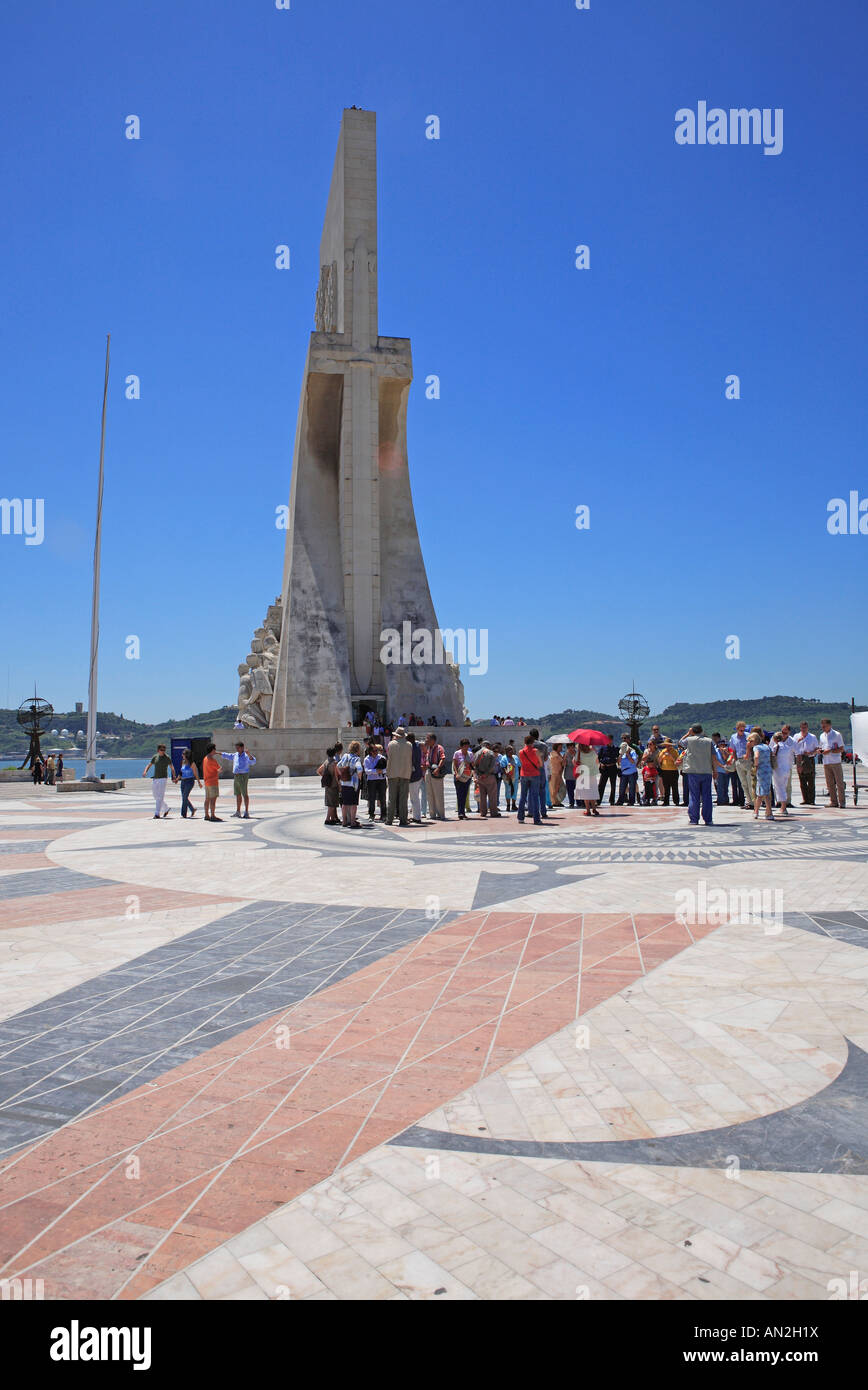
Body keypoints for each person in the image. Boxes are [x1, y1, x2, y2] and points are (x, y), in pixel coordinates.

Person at [678, 725, 717, 827]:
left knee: (694, 796)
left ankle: (694, 819)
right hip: (706, 771)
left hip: (693, 771)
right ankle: (708, 819)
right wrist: (715, 770)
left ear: (693, 731)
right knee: (707, 796)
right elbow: (713, 757)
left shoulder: (689, 740)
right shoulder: (709, 741)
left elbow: (680, 742)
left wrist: (688, 733)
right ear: (702, 730)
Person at [220, 742, 257, 818]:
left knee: (244, 794)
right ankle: (238, 811)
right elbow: (228, 755)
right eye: (236, 748)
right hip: (236, 776)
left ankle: (246, 812)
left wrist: (249, 754)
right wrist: (218, 753)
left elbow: (253, 762)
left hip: (243, 776)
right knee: (237, 794)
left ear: (242, 747)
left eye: (238, 748)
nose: (237, 749)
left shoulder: (246, 755)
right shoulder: (236, 755)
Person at [386, 727, 412, 826]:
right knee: (403, 798)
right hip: (405, 773)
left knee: (392, 798)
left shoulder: (391, 744)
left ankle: (389, 820)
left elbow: (389, 758)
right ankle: (403, 820)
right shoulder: (409, 745)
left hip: (393, 773)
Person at [143, 743, 176, 819]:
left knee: (160, 796)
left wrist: (174, 776)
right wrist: (145, 771)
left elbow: (172, 767)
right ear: (158, 750)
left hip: (163, 778)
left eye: (164, 750)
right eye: (161, 750)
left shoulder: (167, 758)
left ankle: (157, 814)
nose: (163, 751)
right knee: (155, 795)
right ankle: (166, 808)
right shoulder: (155, 757)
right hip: (155, 778)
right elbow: (149, 765)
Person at [819, 719, 846, 807]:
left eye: (824, 726)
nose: (823, 728)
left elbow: (841, 748)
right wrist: (820, 751)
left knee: (839, 782)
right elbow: (821, 747)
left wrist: (830, 751)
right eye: (822, 726)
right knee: (829, 783)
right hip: (826, 762)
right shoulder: (822, 736)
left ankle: (842, 802)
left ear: (829, 725)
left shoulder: (837, 734)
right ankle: (833, 801)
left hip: (836, 761)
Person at [337, 741, 364, 828]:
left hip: (344, 783)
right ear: (358, 750)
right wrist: (359, 778)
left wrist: (341, 775)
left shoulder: (345, 756)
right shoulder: (356, 758)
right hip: (353, 784)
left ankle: (344, 821)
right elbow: (359, 769)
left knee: (344, 803)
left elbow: (338, 766)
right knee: (353, 804)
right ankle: (352, 822)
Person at [517, 734, 542, 825]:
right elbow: (541, 763)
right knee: (535, 797)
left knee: (523, 796)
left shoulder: (521, 752)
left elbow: (522, 762)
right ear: (533, 742)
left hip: (524, 774)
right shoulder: (536, 751)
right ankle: (536, 819)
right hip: (535, 774)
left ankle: (520, 818)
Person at [473, 741, 502, 818]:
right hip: (489, 776)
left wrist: (479, 775)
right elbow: (492, 766)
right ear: (488, 746)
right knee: (492, 795)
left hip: (480, 777)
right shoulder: (491, 753)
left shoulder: (476, 753)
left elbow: (474, 766)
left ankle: (483, 812)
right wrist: (487, 774)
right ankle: (493, 812)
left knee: (482, 796)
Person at [793, 721, 819, 805]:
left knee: (811, 780)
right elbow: (793, 747)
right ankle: (805, 799)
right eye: (802, 728)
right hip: (799, 758)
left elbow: (817, 749)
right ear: (800, 728)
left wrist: (811, 753)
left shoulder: (812, 737)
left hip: (809, 758)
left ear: (807, 728)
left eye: (805, 728)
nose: (804, 729)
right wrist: (798, 741)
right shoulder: (796, 736)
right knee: (802, 780)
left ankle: (811, 800)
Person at [751, 730, 775, 821]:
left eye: (750, 741)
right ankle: (756, 811)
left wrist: (756, 766)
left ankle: (769, 812)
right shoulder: (766, 746)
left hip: (761, 770)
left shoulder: (756, 748)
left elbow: (756, 757)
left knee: (764, 792)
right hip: (768, 770)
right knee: (761, 791)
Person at [771, 732, 796, 817]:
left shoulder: (776, 747)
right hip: (786, 769)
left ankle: (783, 807)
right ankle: (783, 805)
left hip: (779, 770)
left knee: (779, 788)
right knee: (784, 787)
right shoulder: (787, 747)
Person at [729, 722, 752, 810]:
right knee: (743, 783)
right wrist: (736, 760)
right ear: (737, 728)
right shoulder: (733, 737)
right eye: (740, 729)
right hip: (739, 760)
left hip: (748, 760)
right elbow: (733, 749)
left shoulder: (748, 736)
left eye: (743, 729)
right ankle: (749, 801)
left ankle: (753, 802)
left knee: (750, 782)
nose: (742, 731)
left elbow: (752, 747)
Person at [425, 733, 447, 820]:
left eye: (427, 738)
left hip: (436, 772)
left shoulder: (439, 748)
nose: (426, 740)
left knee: (438, 794)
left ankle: (441, 814)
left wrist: (438, 768)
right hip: (429, 771)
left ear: (433, 740)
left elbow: (443, 758)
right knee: (430, 794)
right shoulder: (428, 748)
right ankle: (432, 814)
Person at [317, 745, 341, 825]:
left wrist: (326, 777)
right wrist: (339, 785)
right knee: (332, 803)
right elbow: (337, 775)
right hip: (333, 785)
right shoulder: (334, 763)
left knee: (331, 802)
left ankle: (332, 818)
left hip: (327, 785)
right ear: (334, 754)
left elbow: (318, 771)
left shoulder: (326, 762)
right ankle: (328, 819)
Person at [575, 742, 600, 817]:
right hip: (592, 774)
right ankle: (594, 809)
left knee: (586, 793)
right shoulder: (593, 752)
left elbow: (575, 762)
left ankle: (588, 810)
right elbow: (597, 761)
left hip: (584, 774)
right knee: (592, 792)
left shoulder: (579, 753)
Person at [453, 738, 475, 819]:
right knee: (459, 795)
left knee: (465, 794)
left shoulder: (470, 754)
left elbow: (473, 765)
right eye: (464, 746)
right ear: (461, 746)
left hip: (467, 777)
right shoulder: (457, 753)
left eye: (467, 746)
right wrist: (456, 774)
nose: (466, 748)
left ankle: (463, 812)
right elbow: (454, 764)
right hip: (458, 777)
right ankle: (460, 812)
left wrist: (469, 763)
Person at [363, 743, 387, 821]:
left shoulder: (382, 758)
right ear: (370, 751)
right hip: (371, 781)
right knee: (371, 798)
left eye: (377, 750)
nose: (376, 752)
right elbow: (367, 771)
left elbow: (386, 769)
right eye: (374, 751)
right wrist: (376, 771)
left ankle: (383, 815)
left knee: (382, 797)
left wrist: (381, 771)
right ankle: (371, 815)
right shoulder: (367, 759)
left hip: (381, 780)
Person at [408, 733, 426, 823]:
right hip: (418, 774)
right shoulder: (417, 746)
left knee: (414, 797)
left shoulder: (412, 748)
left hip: (413, 776)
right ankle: (416, 816)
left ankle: (417, 817)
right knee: (415, 797)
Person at [178, 750, 202, 818]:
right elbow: (181, 772)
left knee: (185, 797)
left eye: (183, 754)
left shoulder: (192, 763)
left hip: (189, 781)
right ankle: (192, 809)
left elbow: (195, 773)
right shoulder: (183, 762)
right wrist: (177, 779)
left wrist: (199, 782)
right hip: (183, 781)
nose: (182, 755)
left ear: (187, 755)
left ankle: (183, 814)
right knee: (184, 797)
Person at [202, 744, 223, 822]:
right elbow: (219, 769)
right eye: (214, 749)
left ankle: (206, 815)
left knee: (207, 799)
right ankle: (213, 815)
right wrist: (220, 769)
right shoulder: (212, 760)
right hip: (213, 781)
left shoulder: (205, 759)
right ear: (212, 750)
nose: (215, 751)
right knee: (213, 800)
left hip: (207, 781)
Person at [617, 737, 639, 806]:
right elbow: (618, 762)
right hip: (624, 772)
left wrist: (628, 754)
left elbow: (633, 762)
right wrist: (621, 755)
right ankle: (621, 801)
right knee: (622, 788)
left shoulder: (633, 752)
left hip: (632, 772)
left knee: (632, 788)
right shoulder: (622, 753)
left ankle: (631, 801)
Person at [657, 738, 680, 805]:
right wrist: (662, 755)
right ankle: (666, 801)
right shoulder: (663, 751)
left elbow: (677, 761)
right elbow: (659, 761)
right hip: (664, 771)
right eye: (666, 745)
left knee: (674, 787)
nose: (667, 747)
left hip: (673, 771)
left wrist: (670, 756)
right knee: (666, 787)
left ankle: (676, 801)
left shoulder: (675, 751)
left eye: (668, 745)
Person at [597, 735, 618, 806]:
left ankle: (612, 801)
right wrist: (601, 763)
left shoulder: (615, 748)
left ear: (612, 740)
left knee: (613, 785)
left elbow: (618, 757)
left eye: (610, 740)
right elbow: (598, 757)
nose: (608, 741)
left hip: (613, 767)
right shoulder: (602, 748)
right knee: (601, 785)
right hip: (604, 768)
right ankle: (598, 801)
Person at [548, 742, 565, 808]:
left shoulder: (559, 754)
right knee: (553, 788)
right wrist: (564, 758)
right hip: (554, 773)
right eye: (560, 747)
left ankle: (557, 801)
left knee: (558, 788)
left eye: (561, 747)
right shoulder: (553, 753)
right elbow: (560, 760)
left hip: (559, 773)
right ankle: (554, 802)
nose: (561, 748)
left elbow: (563, 763)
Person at [563, 742, 577, 807]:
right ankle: (571, 802)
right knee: (570, 790)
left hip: (576, 774)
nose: (571, 749)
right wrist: (564, 759)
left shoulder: (577, 753)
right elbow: (564, 765)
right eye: (569, 747)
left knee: (577, 789)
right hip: (568, 774)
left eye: (572, 747)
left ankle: (579, 802)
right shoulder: (566, 754)